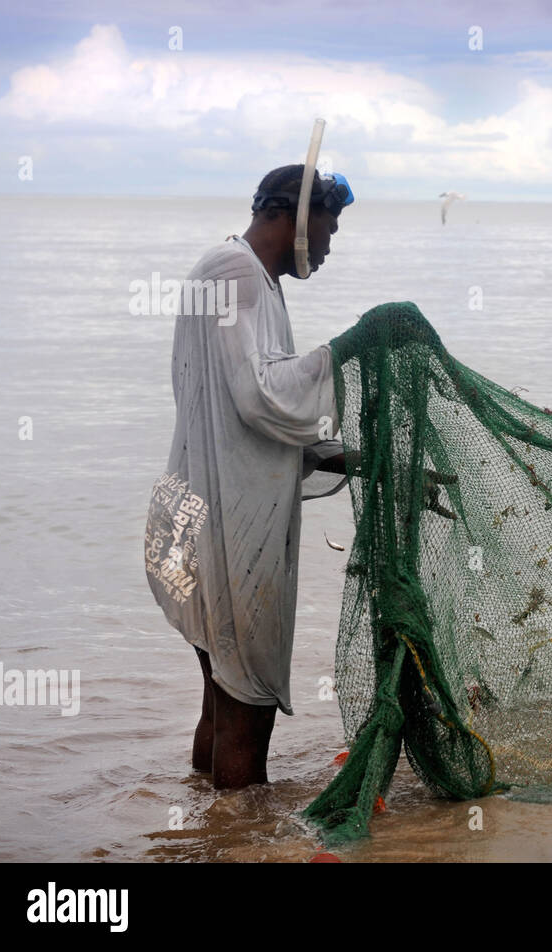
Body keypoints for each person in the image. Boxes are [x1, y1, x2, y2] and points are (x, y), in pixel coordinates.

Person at [144, 163, 354, 788]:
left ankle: (208, 833)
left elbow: (255, 423)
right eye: (329, 226)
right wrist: (349, 353)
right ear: (289, 214)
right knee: (246, 709)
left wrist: (355, 458)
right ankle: (242, 841)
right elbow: (261, 398)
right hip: (225, 533)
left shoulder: (245, 274)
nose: (330, 243)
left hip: (198, 516)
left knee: (223, 694)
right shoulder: (236, 273)